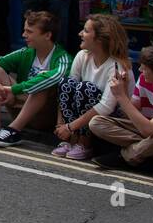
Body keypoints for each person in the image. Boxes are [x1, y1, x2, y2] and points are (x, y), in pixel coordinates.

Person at [0, 10, 71, 147]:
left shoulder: (63, 58)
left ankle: (14, 130)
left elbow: (57, 76)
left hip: (45, 117)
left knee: (41, 83)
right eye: (24, 30)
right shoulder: (25, 53)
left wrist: (14, 89)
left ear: (47, 35)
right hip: (20, 108)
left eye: (29, 32)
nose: (23, 35)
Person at [52, 14, 130, 161]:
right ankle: (71, 141)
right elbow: (66, 91)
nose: (80, 34)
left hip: (110, 118)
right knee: (66, 83)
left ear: (100, 39)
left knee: (85, 88)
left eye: (86, 31)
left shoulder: (116, 66)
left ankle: (85, 143)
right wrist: (61, 124)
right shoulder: (82, 55)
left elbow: (106, 107)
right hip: (80, 119)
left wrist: (70, 127)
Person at [89, 44, 153, 173]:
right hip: (149, 133)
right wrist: (124, 89)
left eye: (144, 67)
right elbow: (130, 114)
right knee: (97, 123)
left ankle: (125, 156)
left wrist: (121, 96)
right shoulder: (144, 79)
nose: (140, 70)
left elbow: (148, 130)